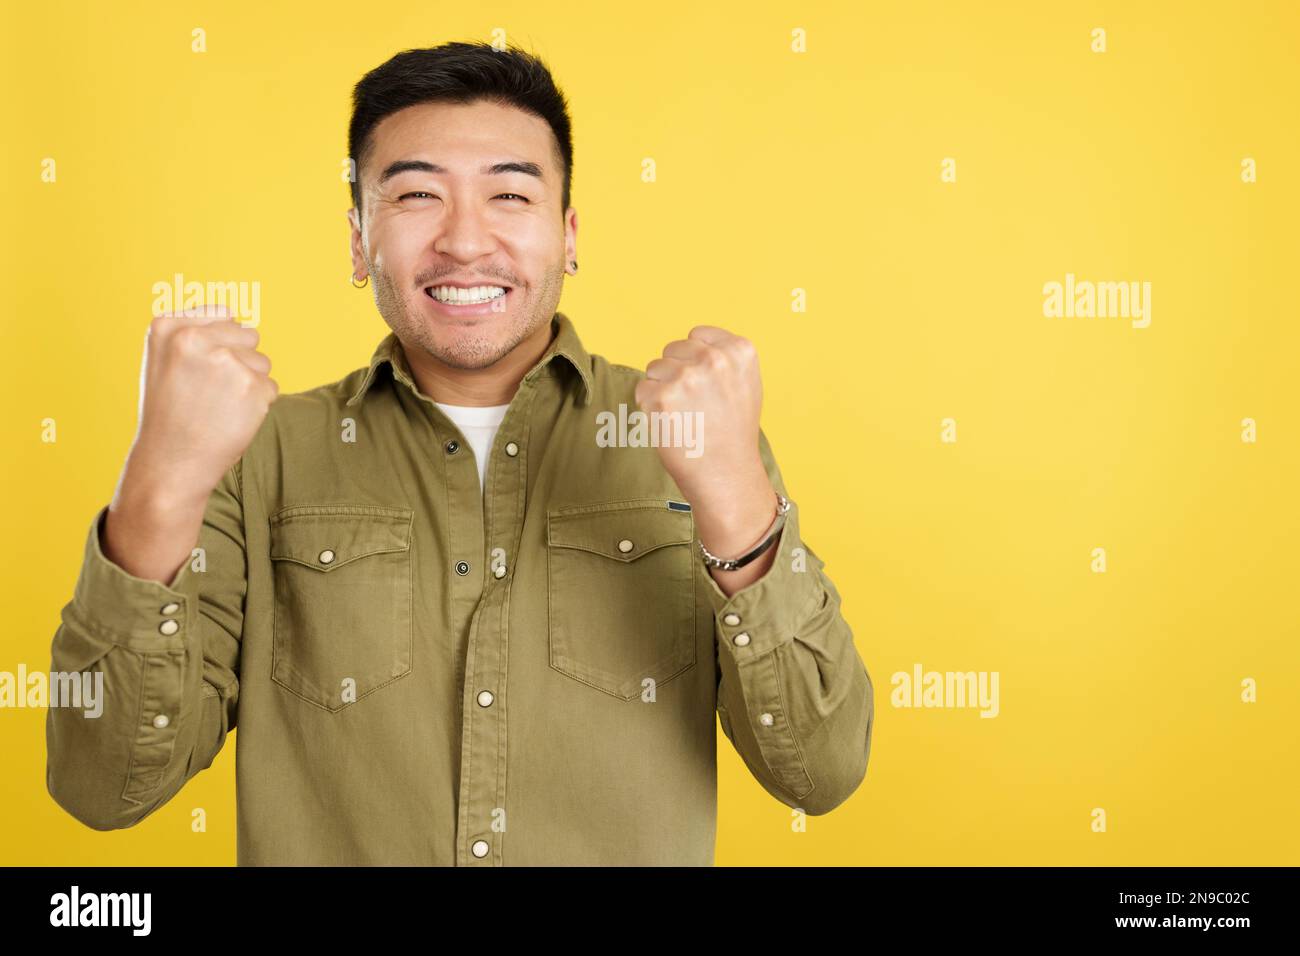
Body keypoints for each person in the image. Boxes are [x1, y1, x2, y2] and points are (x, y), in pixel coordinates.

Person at [45, 40, 874, 865]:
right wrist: (158, 480)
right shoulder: (257, 455)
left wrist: (732, 497)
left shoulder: (698, 441)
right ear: (358, 239)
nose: (466, 242)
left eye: (510, 193)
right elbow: (105, 786)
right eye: (415, 195)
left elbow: (821, 770)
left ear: (568, 234)